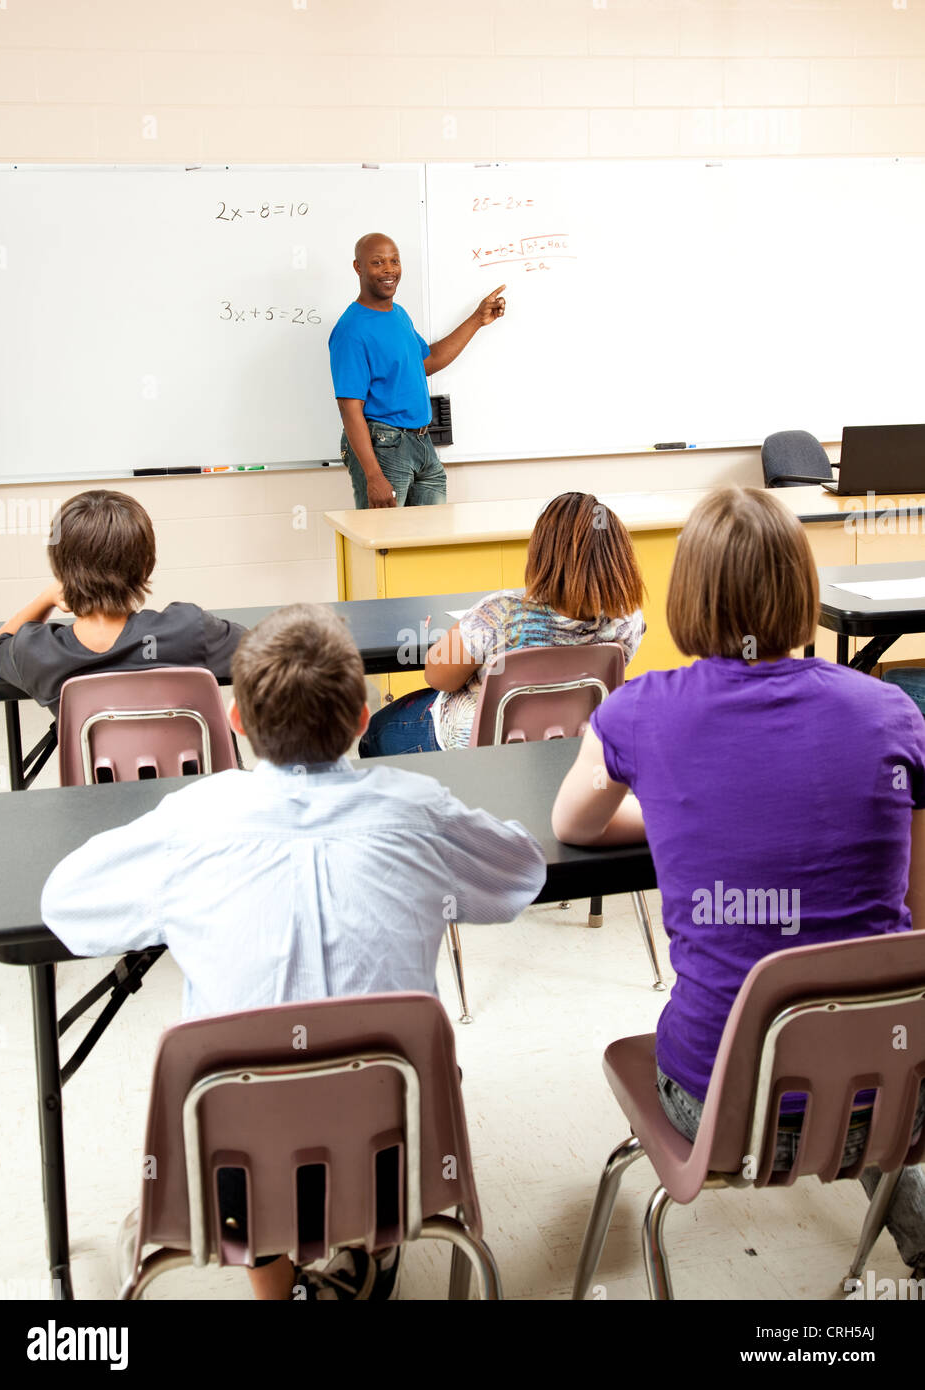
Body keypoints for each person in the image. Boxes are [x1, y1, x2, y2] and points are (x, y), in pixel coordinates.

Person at [41, 603, 546, 1299]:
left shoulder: (194, 820)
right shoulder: (418, 807)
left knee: (253, 1098)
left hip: (230, 1174)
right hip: (404, 1162)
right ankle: (359, 1249)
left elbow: (65, 903)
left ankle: (279, 1281)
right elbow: (522, 873)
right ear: (363, 718)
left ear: (236, 724)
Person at [551, 485, 925, 1276]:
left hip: (722, 1100)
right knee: (856, 1039)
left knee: (759, 1046)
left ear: (688, 594)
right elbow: (913, 920)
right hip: (899, 1094)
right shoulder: (893, 711)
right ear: (802, 589)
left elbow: (572, 827)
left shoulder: (637, 712)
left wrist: (683, 818)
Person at [359, 492, 646, 758]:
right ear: (619, 558)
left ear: (541, 553)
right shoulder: (628, 619)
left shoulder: (501, 613)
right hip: (569, 743)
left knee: (375, 732)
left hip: (476, 749)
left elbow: (438, 678)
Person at [0, 490, 244, 716]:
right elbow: (262, 649)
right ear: (145, 566)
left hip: (97, 772)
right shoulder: (188, 628)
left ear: (61, 571)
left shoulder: (38, 651)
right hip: (194, 772)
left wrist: (46, 598)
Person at [329, 232, 505, 510]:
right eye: (377, 262)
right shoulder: (352, 330)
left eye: (394, 261)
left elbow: (428, 361)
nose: (389, 270)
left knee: (430, 541)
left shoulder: (398, 314)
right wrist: (373, 476)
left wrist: (477, 319)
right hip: (385, 447)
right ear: (358, 267)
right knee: (386, 543)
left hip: (422, 443)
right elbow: (350, 407)